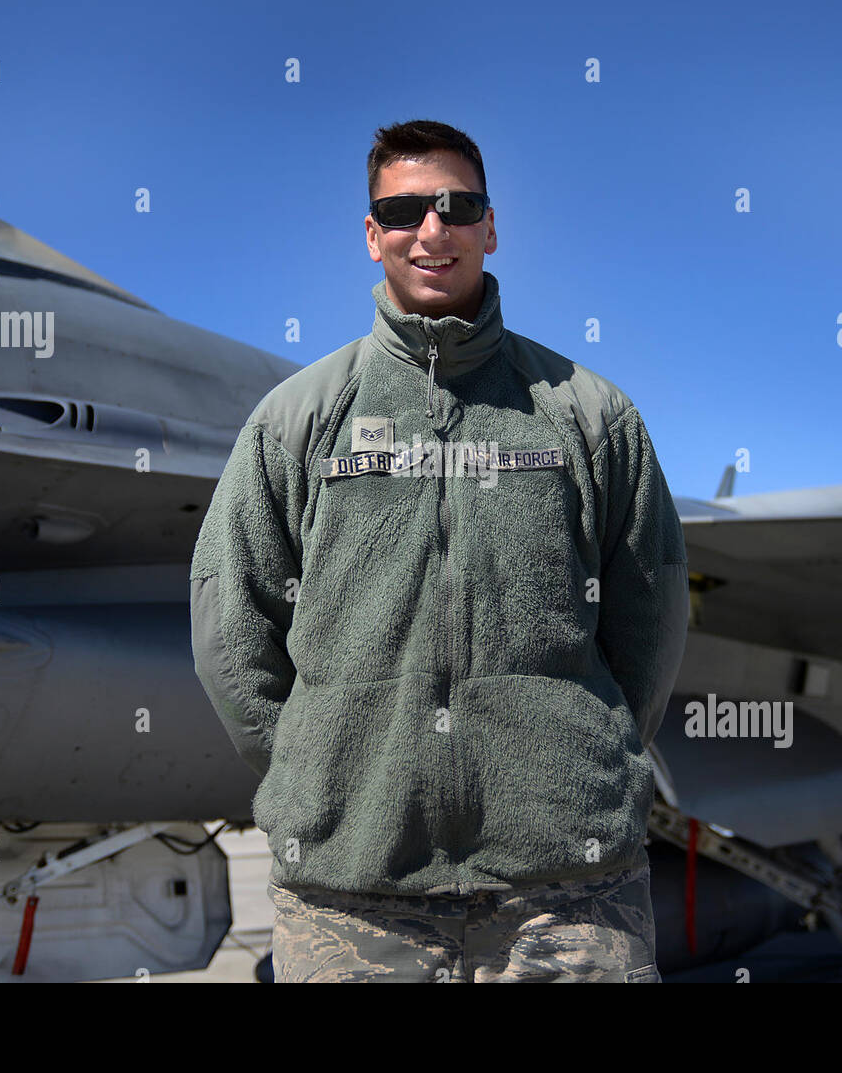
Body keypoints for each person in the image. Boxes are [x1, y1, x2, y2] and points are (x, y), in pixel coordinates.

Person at [190, 119, 688, 982]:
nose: (433, 229)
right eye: (406, 209)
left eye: (458, 207)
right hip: (352, 898)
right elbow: (232, 621)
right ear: (372, 234)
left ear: (491, 228)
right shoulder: (297, 419)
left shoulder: (589, 414)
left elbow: (650, 616)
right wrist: (328, 771)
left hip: (568, 892)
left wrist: (575, 756)